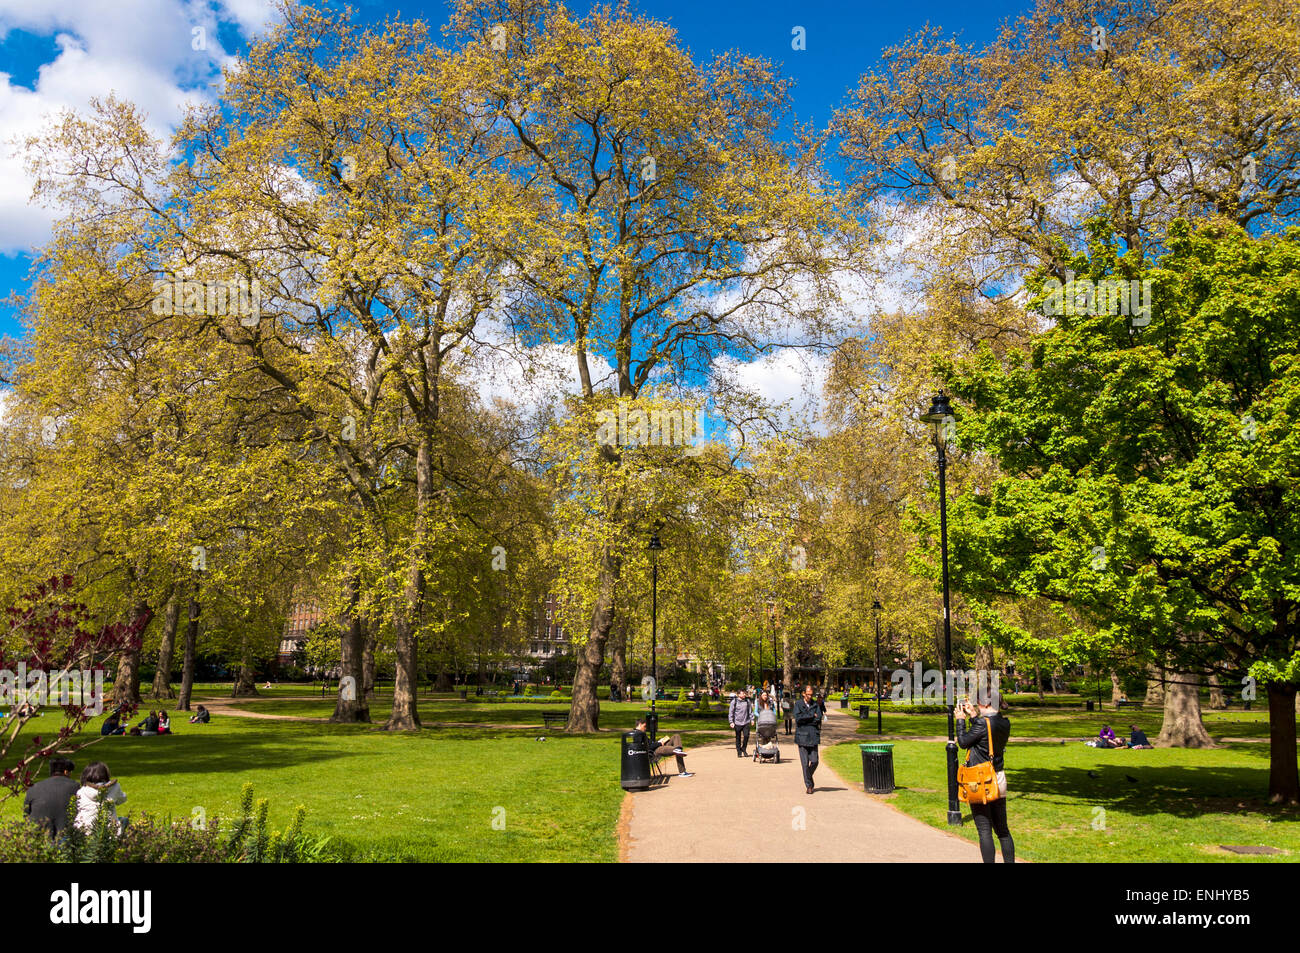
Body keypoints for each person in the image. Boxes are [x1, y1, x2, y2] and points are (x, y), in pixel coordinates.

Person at [956, 688, 1015, 864]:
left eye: (979, 703)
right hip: (998, 777)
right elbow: (985, 737)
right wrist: (974, 717)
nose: (977, 706)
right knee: (1003, 830)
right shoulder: (1005, 723)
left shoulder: (983, 724)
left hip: (980, 780)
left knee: (984, 830)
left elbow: (964, 742)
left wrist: (961, 721)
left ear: (987, 703)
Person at [23, 758, 80, 840]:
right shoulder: (75, 787)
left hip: (39, 837)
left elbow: (26, 814)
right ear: (66, 772)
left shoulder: (34, 788)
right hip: (64, 837)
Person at [74, 761, 128, 835]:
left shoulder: (81, 791)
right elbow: (122, 799)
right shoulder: (115, 787)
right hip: (109, 831)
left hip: (84, 830)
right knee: (124, 820)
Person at [793, 684, 823, 794]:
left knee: (815, 761)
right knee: (805, 763)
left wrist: (808, 718)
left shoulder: (815, 704)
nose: (810, 696)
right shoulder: (798, 704)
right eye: (808, 694)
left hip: (813, 736)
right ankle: (809, 785)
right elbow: (798, 719)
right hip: (802, 737)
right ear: (803, 694)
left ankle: (808, 776)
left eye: (811, 694)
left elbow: (818, 719)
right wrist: (811, 716)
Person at [729, 688, 754, 758]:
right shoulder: (734, 702)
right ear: (739, 694)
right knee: (738, 737)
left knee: (746, 736)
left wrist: (752, 719)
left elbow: (750, 711)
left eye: (745, 693)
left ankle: (744, 748)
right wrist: (731, 721)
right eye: (743, 693)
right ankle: (739, 751)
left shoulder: (747, 701)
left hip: (746, 722)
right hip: (737, 722)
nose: (744, 694)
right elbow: (731, 712)